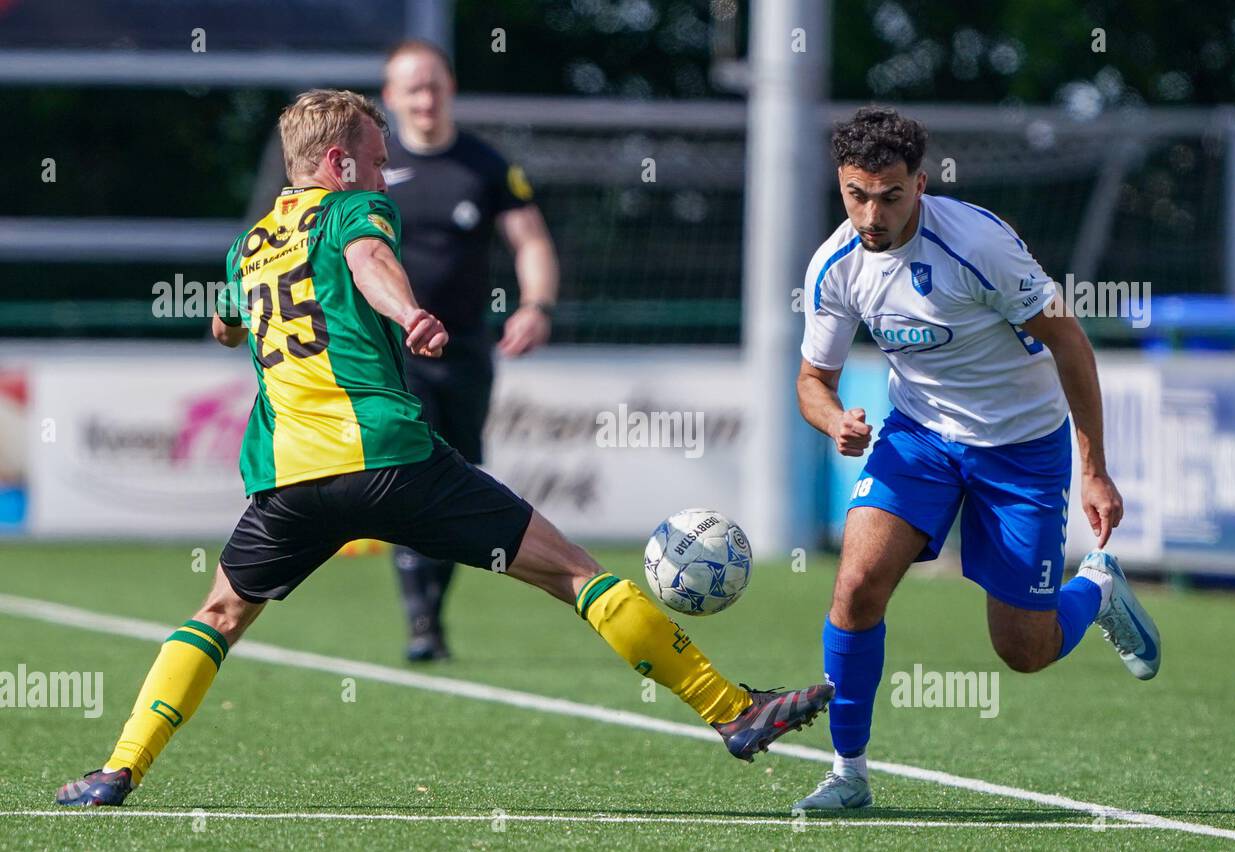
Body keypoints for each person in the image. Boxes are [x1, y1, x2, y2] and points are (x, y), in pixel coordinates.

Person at [55, 89, 831, 808]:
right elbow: (369, 262)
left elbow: (224, 326)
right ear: (339, 163)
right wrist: (413, 313)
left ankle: (120, 768)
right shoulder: (351, 208)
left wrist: (236, 323)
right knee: (573, 573)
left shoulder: (250, 243)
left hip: (289, 481)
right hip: (391, 461)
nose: (387, 174)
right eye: (377, 156)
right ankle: (732, 710)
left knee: (218, 613)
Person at [792, 107, 1161, 812]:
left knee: (1025, 651)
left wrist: (1095, 467)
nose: (872, 212)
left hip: (1021, 447)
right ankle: (847, 772)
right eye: (856, 194)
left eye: (890, 195)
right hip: (920, 439)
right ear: (840, 185)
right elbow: (813, 381)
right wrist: (834, 420)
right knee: (857, 586)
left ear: (920, 184)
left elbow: (1069, 342)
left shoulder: (977, 243)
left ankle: (1099, 590)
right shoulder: (834, 267)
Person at [381, 39, 560, 662]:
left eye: (434, 85)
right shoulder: (372, 168)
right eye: (412, 88)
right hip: (393, 353)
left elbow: (530, 240)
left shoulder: (485, 165)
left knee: (456, 476)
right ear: (391, 97)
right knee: (412, 470)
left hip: (466, 352)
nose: (425, 98)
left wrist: (535, 306)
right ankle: (419, 621)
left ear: (449, 89)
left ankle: (433, 613)